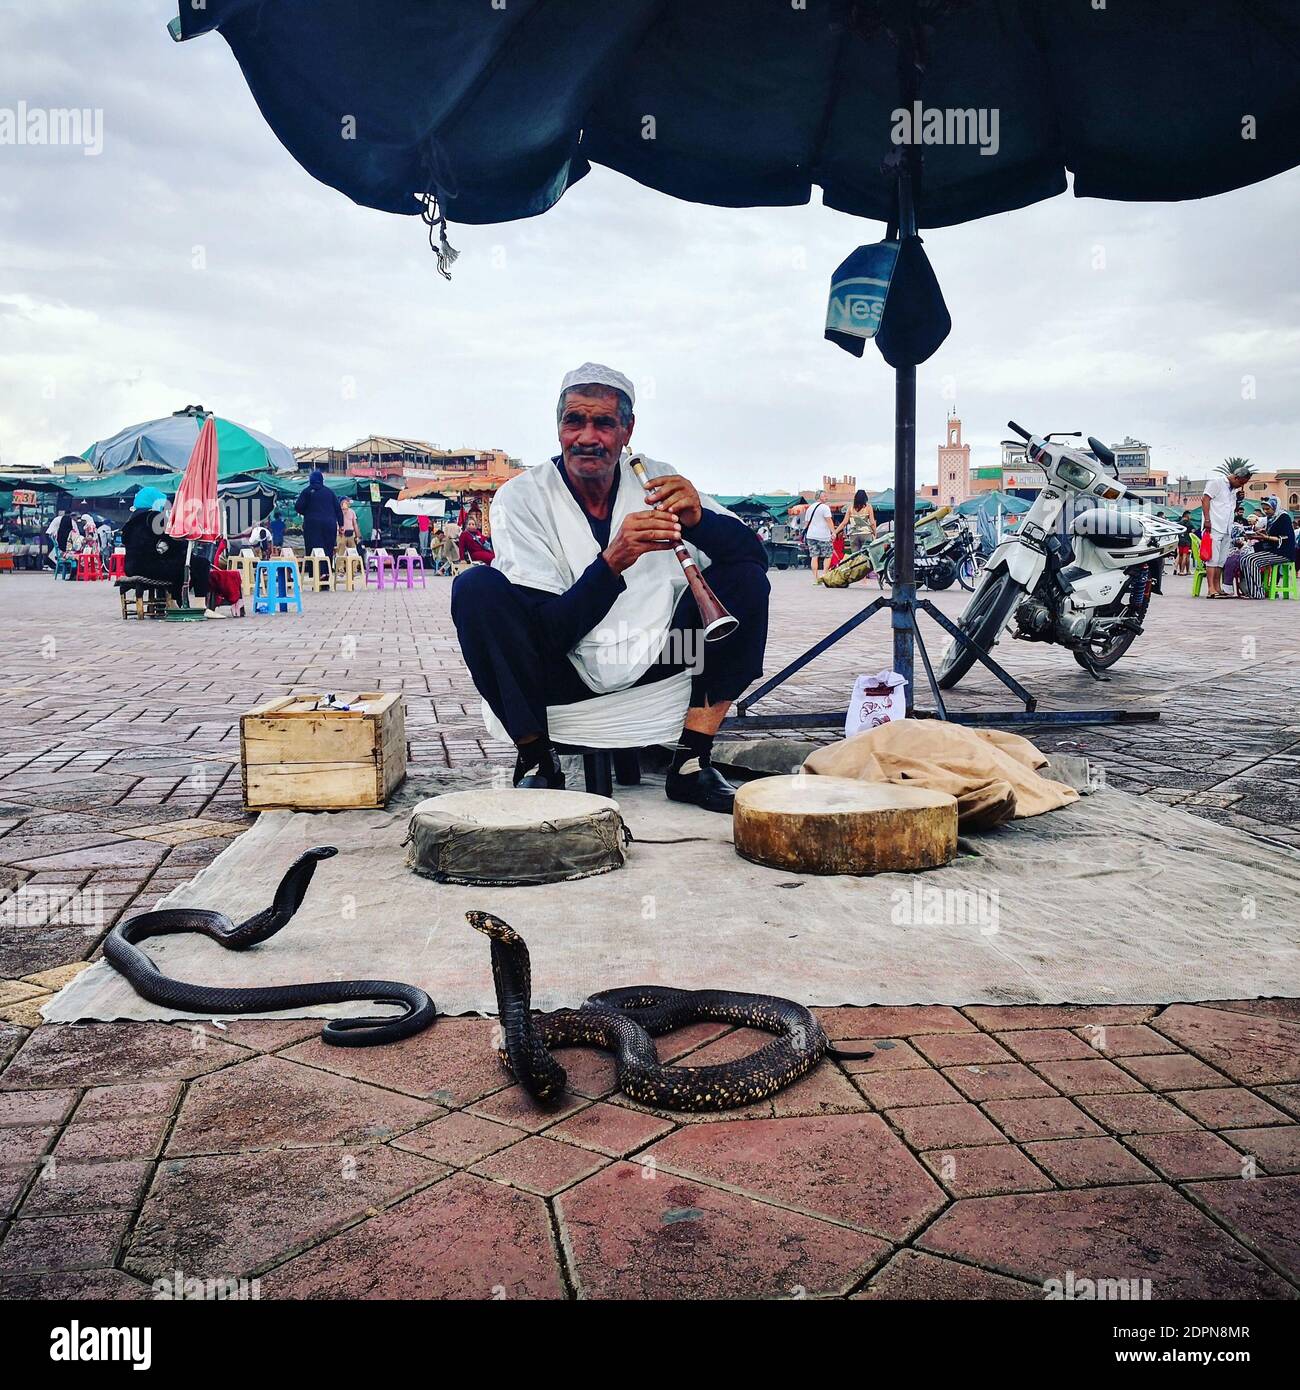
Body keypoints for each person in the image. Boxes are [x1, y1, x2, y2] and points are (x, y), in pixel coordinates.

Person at [451, 362, 770, 814]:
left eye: (603, 423)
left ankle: (692, 762)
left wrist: (699, 522)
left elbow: (753, 557)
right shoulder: (521, 497)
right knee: (474, 588)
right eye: (574, 421)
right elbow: (547, 635)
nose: (587, 437)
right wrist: (611, 563)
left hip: (663, 652)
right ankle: (538, 759)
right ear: (558, 427)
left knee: (745, 580)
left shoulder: (655, 477)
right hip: (559, 665)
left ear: (627, 431)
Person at [1201, 461, 1253, 598]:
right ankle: (1211, 589)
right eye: (1241, 483)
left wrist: (1239, 500)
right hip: (1214, 525)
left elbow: (1231, 510)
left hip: (1226, 527)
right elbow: (1205, 499)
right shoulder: (1216, 483)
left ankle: (1218, 588)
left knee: (1221, 560)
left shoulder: (1233, 491)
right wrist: (1207, 520)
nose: (1241, 486)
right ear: (1236, 477)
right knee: (1212, 558)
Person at [1239, 497, 1296, 599]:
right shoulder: (1272, 519)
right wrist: (1261, 534)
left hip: (1283, 552)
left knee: (1251, 560)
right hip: (1272, 550)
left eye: (1267, 509)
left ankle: (1257, 593)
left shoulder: (1284, 518)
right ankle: (1252, 591)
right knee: (1244, 559)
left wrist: (1266, 537)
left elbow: (1285, 538)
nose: (1265, 511)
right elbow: (1271, 535)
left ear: (1275, 507)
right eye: (1264, 509)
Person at [295, 470, 344, 578]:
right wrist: (341, 525)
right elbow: (338, 509)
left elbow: (298, 507)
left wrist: (308, 513)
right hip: (329, 525)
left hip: (312, 525)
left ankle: (317, 574)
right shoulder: (329, 492)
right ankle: (326, 572)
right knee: (327, 549)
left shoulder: (306, 492)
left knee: (314, 549)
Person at [800, 490, 835, 583]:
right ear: (820, 497)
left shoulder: (810, 507)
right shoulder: (825, 507)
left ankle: (815, 579)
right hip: (824, 536)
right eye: (825, 496)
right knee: (827, 556)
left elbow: (807, 523)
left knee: (814, 556)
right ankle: (824, 575)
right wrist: (833, 532)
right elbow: (829, 521)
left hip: (811, 535)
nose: (826, 497)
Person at [839, 489, 877, 556]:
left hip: (853, 535)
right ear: (865, 498)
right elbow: (872, 522)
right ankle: (866, 566)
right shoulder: (868, 507)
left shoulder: (850, 507)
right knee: (866, 556)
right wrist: (875, 533)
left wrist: (835, 532)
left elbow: (844, 522)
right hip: (866, 534)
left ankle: (857, 566)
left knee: (855, 556)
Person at [1175, 510, 1193, 576]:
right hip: (1187, 541)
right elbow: (1192, 531)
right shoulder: (1189, 523)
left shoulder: (1179, 523)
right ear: (1187, 515)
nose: (1191, 516)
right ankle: (1183, 571)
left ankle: (1180, 570)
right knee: (1185, 556)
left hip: (1180, 541)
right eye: (1190, 515)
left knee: (1180, 555)